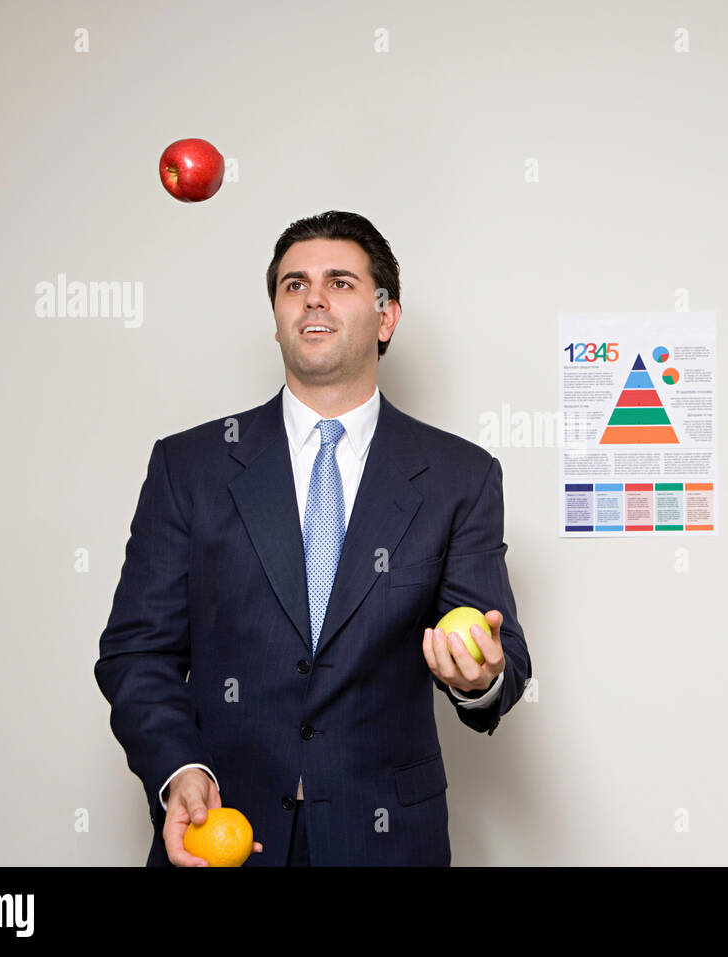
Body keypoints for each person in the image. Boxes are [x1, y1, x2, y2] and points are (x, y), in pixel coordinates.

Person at [94, 210, 531, 866]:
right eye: (294, 284)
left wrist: (479, 676)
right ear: (277, 318)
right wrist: (180, 769)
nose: (314, 296)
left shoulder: (459, 476)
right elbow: (137, 651)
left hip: (385, 842)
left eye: (341, 282)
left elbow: (501, 663)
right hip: (223, 830)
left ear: (386, 318)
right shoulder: (190, 466)